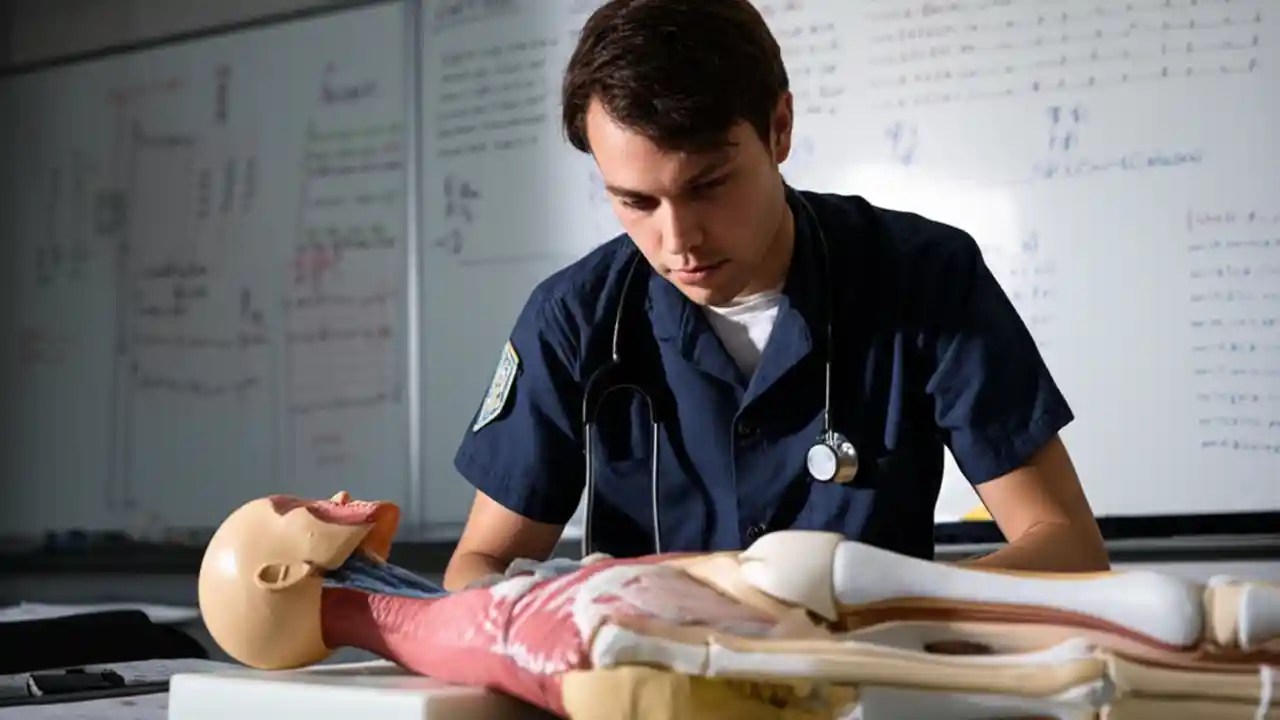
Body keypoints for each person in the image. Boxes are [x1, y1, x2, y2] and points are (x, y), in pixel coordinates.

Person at [442, 0, 1108, 591]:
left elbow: (1066, 547)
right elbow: (479, 566)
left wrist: (871, 606)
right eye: (635, 201)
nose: (679, 241)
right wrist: (565, 611)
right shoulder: (572, 318)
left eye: (708, 186)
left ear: (780, 128)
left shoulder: (927, 277)